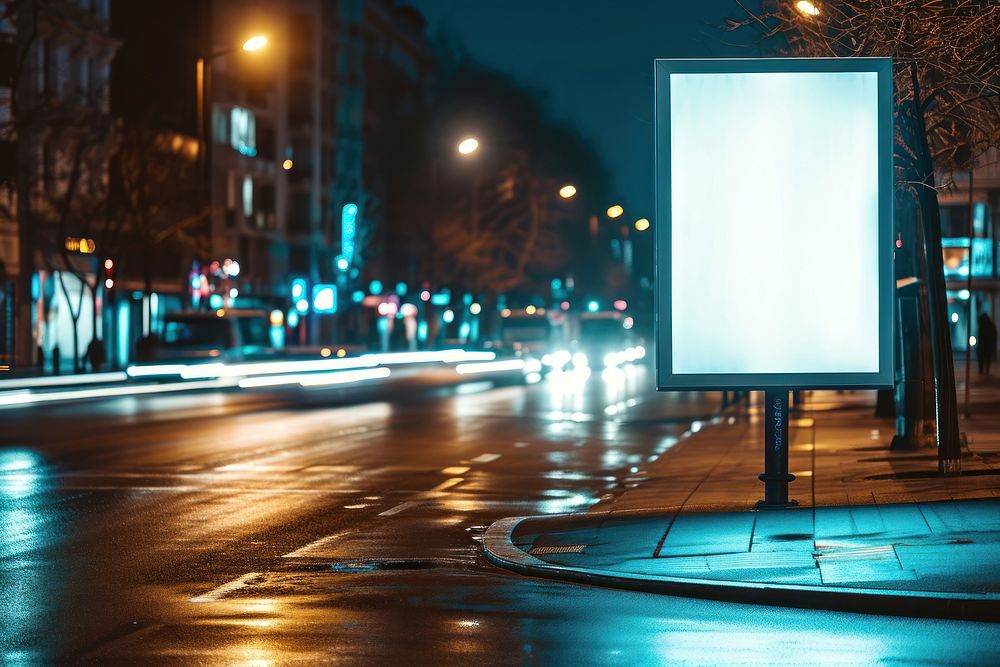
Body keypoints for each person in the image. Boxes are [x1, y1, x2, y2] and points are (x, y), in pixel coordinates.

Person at [977, 310, 997, 377]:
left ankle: (981, 371)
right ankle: (986, 371)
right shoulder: (991, 325)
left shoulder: (982, 325)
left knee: (981, 359)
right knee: (987, 359)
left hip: (983, 346)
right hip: (987, 346)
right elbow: (994, 337)